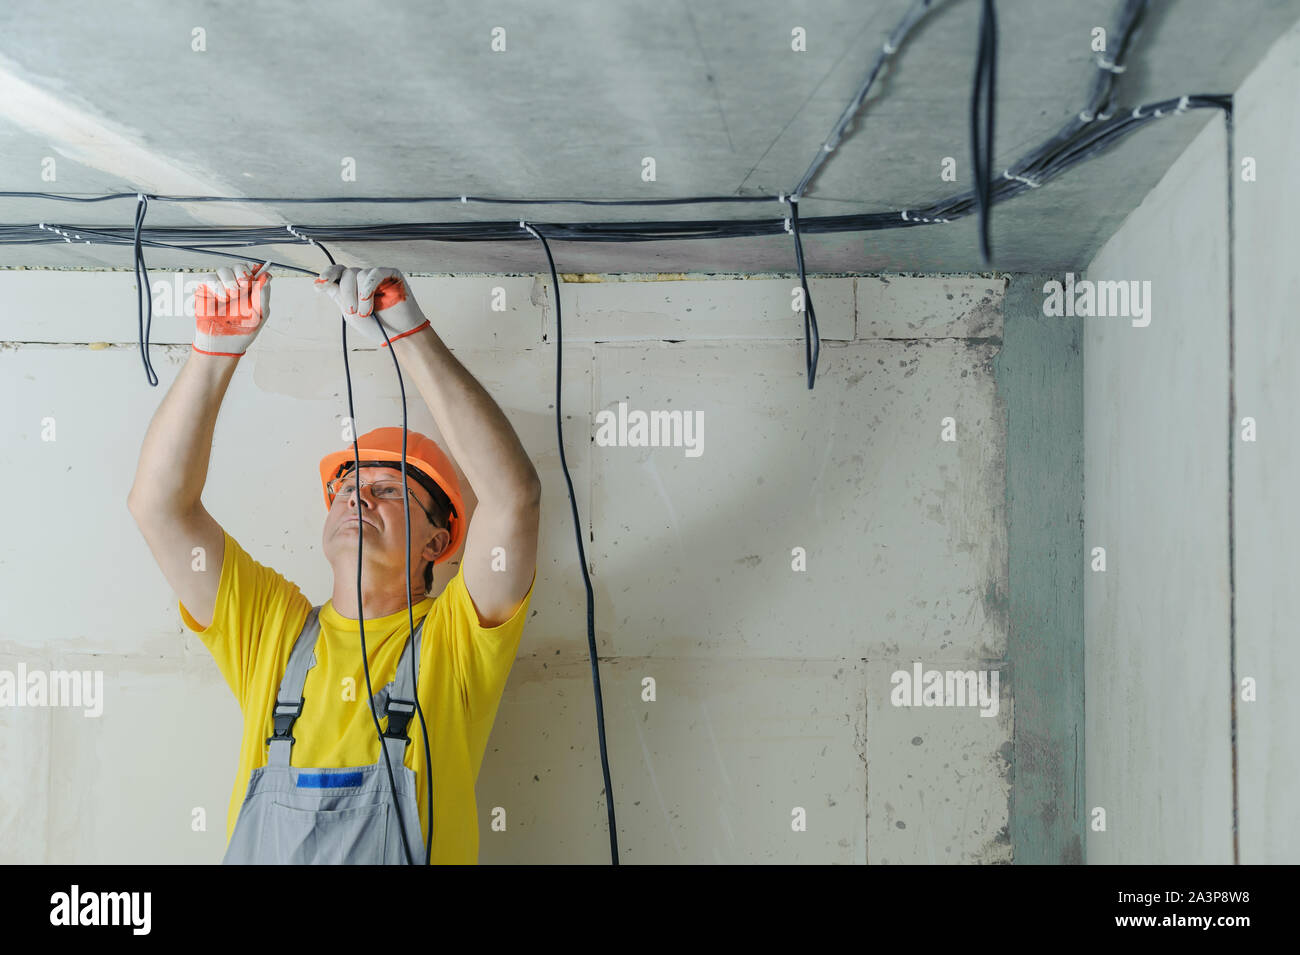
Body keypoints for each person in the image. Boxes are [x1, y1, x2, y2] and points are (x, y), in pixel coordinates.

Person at [127, 263, 541, 864]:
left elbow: (514, 497)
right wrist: (213, 355)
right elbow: (158, 507)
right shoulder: (272, 631)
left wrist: (409, 331)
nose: (360, 497)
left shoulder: (455, 642)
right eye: (349, 488)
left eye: (392, 490)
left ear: (438, 542)